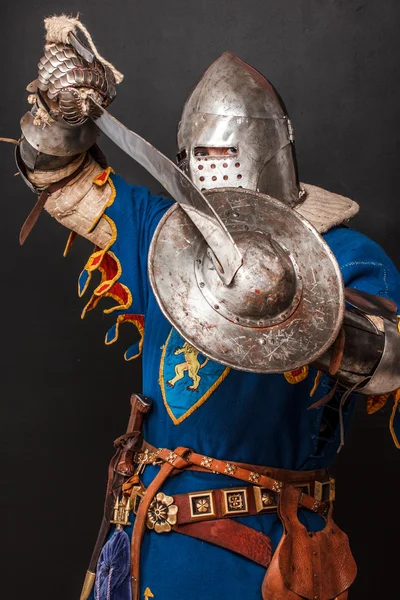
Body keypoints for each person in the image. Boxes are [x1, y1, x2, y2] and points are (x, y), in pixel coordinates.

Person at [13, 14, 400, 600]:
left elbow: (390, 358)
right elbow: (57, 177)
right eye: (197, 158)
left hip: (265, 553)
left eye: (222, 155)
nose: (209, 171)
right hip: (144, 543)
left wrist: (293, 302)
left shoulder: (341, 254)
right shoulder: (158, 234)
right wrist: (57, 113)